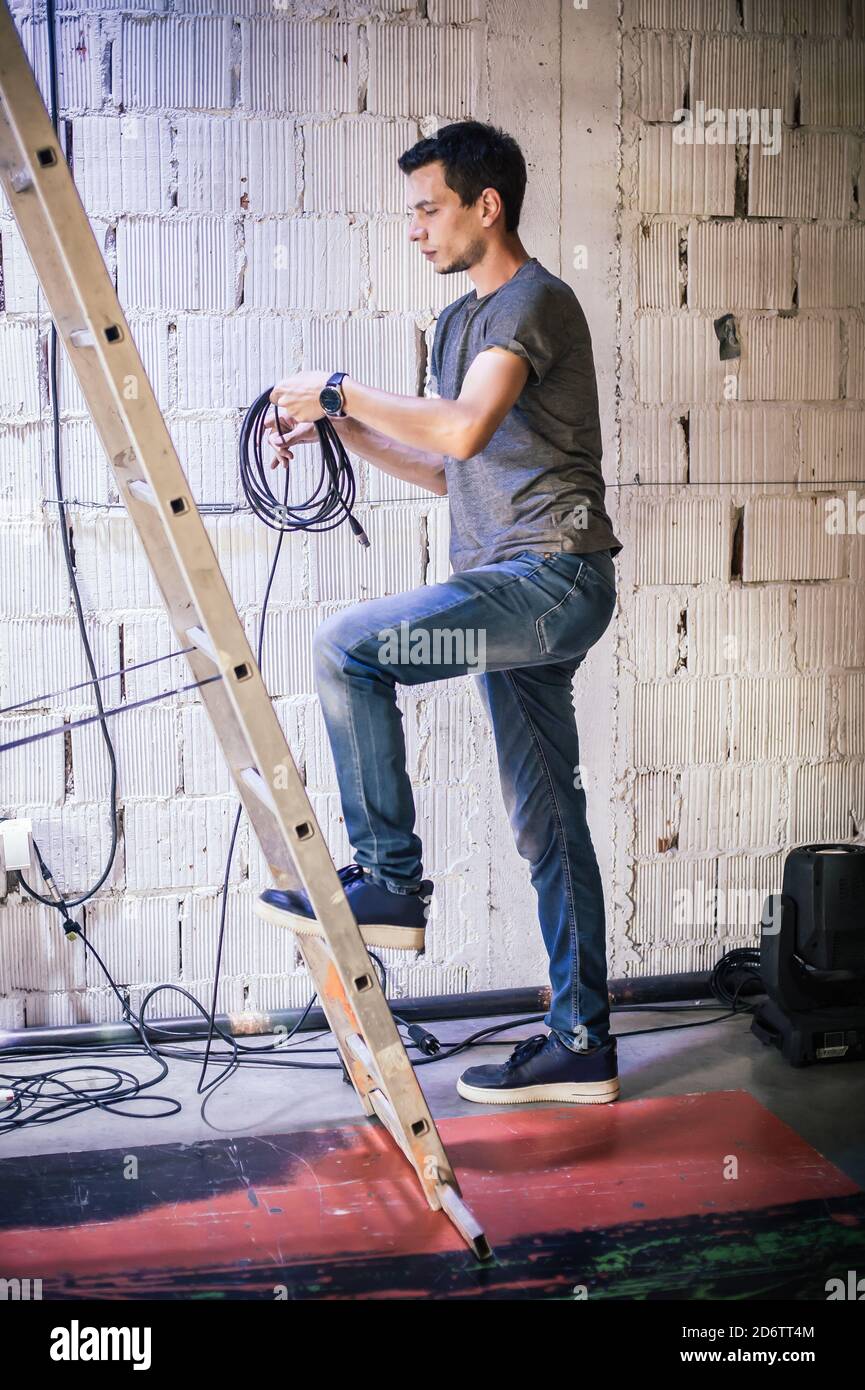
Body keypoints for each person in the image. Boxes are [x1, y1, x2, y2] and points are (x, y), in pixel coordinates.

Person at [254, 121, 623, 1105]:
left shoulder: (534, 303)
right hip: (512, 594)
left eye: (428, 207)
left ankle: (388, 880)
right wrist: (340, 419)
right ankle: (581, 1040)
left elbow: (463, 422)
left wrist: (339, 386)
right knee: (549, 821)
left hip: (551, 584)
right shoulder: (461, 325)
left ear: (484, 205)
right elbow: (442, 461)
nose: (414, 228)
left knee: (347, 649)